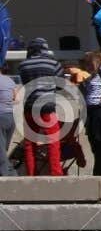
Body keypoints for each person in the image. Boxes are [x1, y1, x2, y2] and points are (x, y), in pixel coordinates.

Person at [18, 40, 67, 178]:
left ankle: (31, 174)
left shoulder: (23, 65)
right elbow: (61, 85)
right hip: (47, 106)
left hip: (29, 106)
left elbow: (26, 83)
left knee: (29, 142)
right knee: (53, 141)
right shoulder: (53, 64)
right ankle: (55, 173)